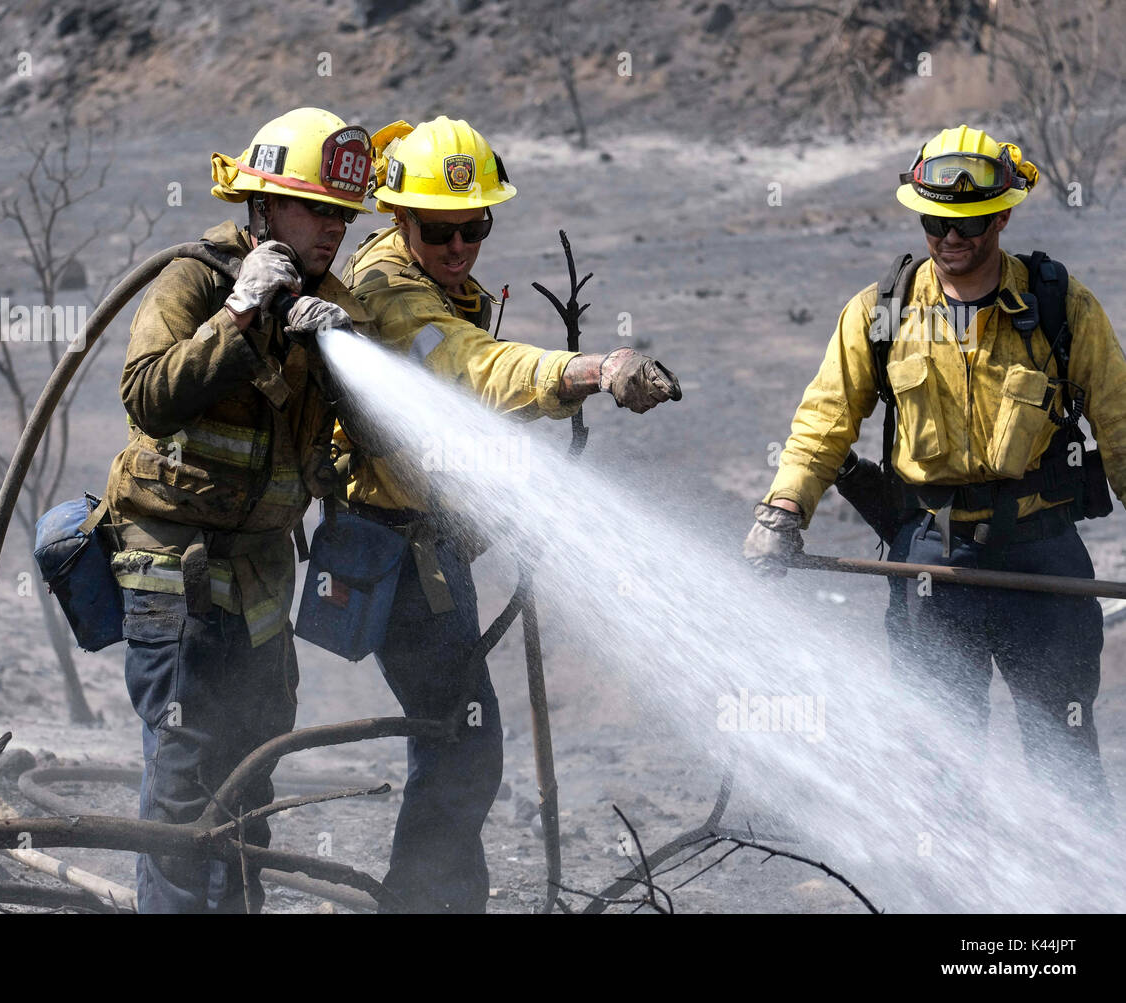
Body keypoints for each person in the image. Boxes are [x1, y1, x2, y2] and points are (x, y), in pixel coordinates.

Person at [337, 115, 682, 912]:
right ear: (398, 217)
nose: (459, 246)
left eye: (475, 227)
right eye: (440, 229)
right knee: (463, 746)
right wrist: (590, 369)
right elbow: (471, 371)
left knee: (461, 743)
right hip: (392, 548)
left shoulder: (436, 279)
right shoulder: (390, 292)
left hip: (429, 536)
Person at [743, 124, 1123, 831]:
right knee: (939, 771)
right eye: (936, 222)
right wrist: (783, 511)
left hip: (1042, 561)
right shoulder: (880, 312)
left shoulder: (1061, 307)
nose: (951, 239)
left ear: (1003, 214)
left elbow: (1123, 425)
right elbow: (824, 422)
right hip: (930, 564)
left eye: (969, 223)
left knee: (1064, 758)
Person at [101, 107, 374, 912]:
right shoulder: (198, 278)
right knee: (184, 790)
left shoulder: (332, 304)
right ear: (262, 208)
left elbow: (355, 455)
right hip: (172, 579)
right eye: (315, 210)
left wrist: (344, 361)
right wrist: (237, 316)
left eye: (343, 216)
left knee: (251, 788)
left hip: (261, 588)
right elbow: (147, 396)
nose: (332, 231)